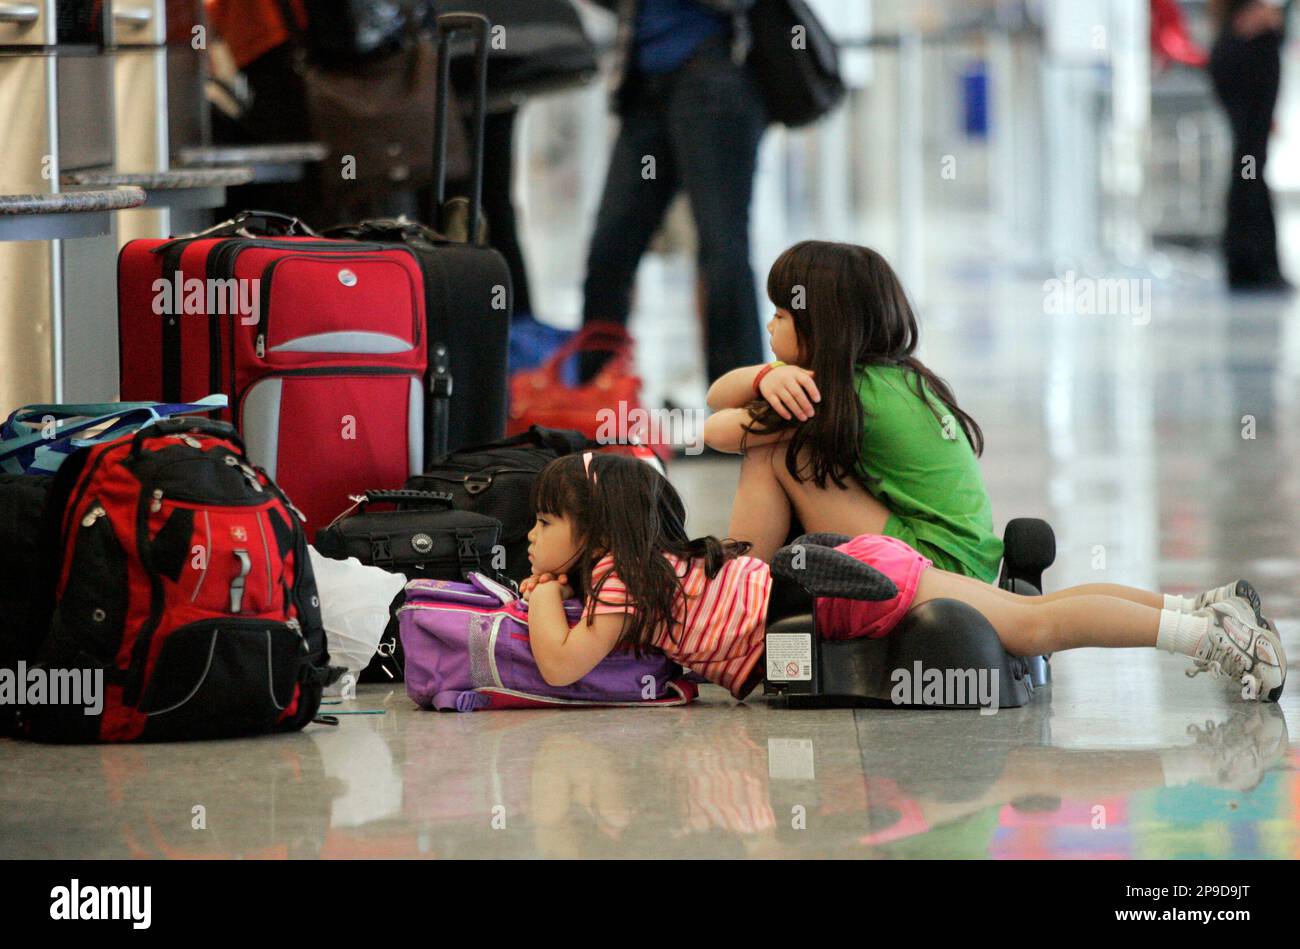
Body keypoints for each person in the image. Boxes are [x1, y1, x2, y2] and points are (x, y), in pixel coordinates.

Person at [517, 452, 1287, 702]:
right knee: (1036, 613)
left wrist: (546, 593)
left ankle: (1212, 639)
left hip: (835, 593)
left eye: (544, 521)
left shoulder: (618, 579)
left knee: (1033, 626)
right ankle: (1201, 609)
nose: (530, 536)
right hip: (836, 577)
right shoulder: (639, 571)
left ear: (594, 531)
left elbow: (559, 663)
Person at [703, 241, 1002, 574]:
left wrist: (768, 378)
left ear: (822, 326)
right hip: (964, 560)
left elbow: (716, 433)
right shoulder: (886, 377)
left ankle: (739, 585)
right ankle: (745, 581)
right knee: (786, 447)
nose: (770, 326)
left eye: (780, 315)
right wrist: (764, 376)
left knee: (772, 454)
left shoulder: (842, 391)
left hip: (939, 567)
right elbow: (716, 397)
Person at [580, 0, 768, 383]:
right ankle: (597, 397)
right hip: (643, 85)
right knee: (609, 250)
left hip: (714, 72)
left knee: (722, 251)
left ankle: (743, 405)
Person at [1208, 0, 1293, 292]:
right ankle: (1249, 260)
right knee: (1249, 166)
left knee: (1250, 165)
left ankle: (1250, 260)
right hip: (1248, 59)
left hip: (1246, 58)